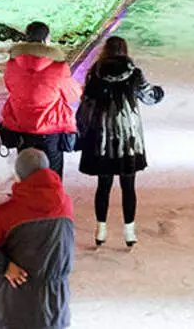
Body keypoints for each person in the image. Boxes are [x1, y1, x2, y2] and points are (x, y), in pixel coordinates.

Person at [0, 148, 73, 329]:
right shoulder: (65, 204)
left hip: (18, 305)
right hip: (56, 304)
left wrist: (4, 266)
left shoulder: (10, 212)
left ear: (19, 176)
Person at [77, 36, 163, 248]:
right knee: (128, 185)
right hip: (128, 137)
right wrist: (159, 93)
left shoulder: (95, 73)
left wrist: (82, 130)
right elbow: (148, 96)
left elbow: (86, 105)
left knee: (103, 185)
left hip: (102, 136)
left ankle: (101, 229)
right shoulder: (134, 73)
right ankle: (129, 232)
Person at [0, 21, 81, 178]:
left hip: (21, 126)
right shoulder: (58, 67)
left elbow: (10, 86)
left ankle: (27, 200)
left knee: (26, 174)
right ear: (46, 40)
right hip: (50, 129)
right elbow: (72, 95)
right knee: (52, 177)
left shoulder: (13, 64)